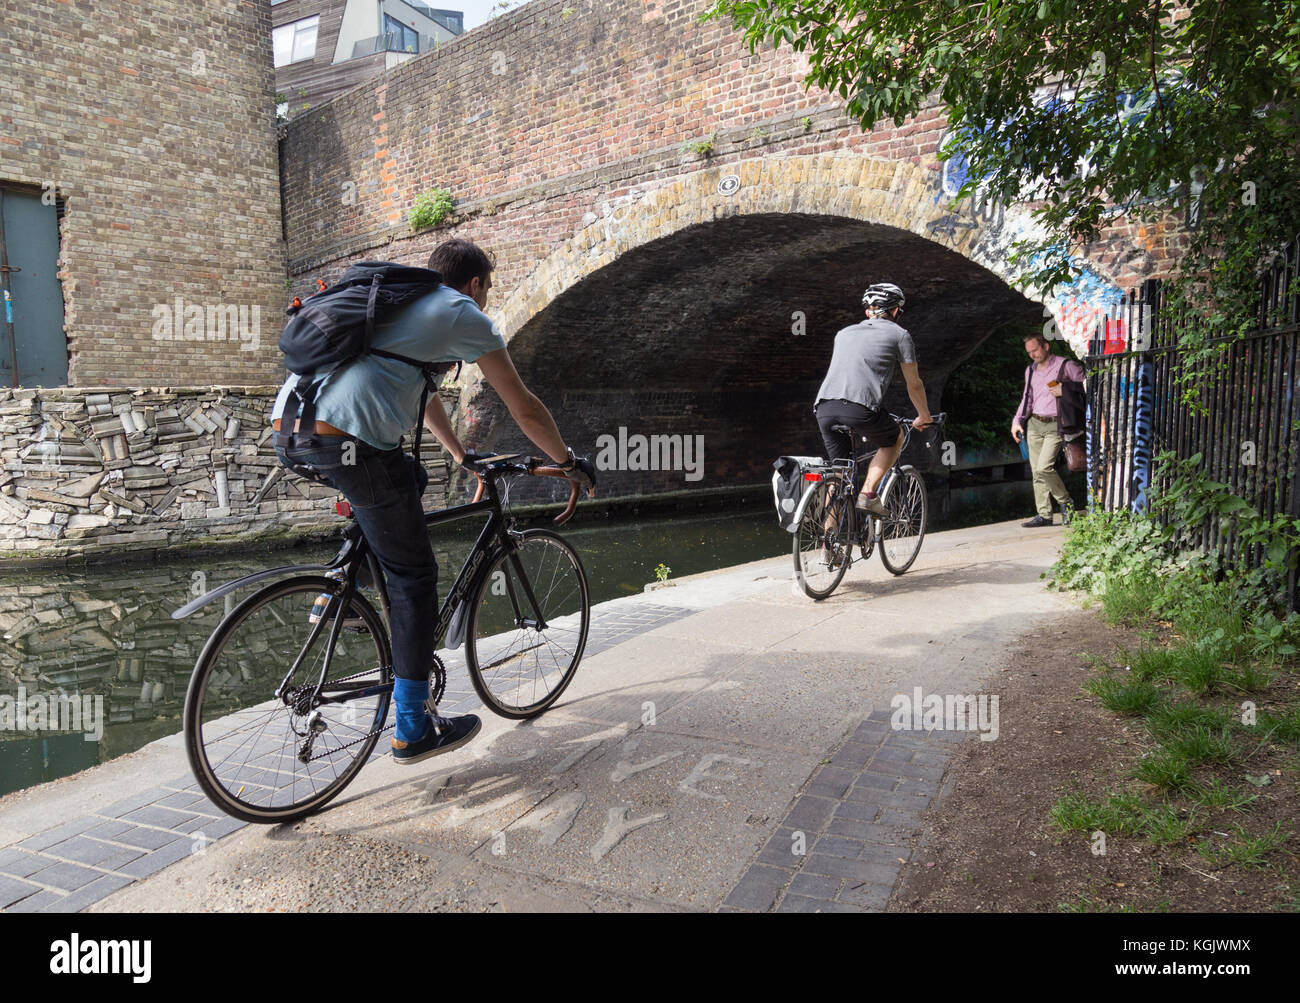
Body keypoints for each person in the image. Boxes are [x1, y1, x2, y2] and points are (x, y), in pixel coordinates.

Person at [271, 239, 595, 765]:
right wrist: (568, 460)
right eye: (487, 290)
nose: (486, 301)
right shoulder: (460, 312)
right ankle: (413, 729)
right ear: (474, 285)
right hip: (347, 440)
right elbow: (524, 405)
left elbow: (423, 396)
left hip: (294, 431)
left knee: (408, 475)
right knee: (415, 580)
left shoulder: (402, 307)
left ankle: (338, 589)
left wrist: (460, 454)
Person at [814, 283, 933, 519]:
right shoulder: (900, 335)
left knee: (839, 474)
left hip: (824, 408)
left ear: (868, 310)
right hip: (858, 408)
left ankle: (829, 549)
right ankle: (868, 495)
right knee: (895, 436)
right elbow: (914, 384)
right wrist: (924, 415)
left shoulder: (843, 333)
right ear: (896, 310)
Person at [1010, 333, 1084, 527]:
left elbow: (1087, 388)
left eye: (1035, 350)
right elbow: (1027, 399)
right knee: (1036, 471)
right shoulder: (1030, 370)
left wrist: (1065, 391)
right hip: (1034, 423)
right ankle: (1044, 514)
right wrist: (1017, 420)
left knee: (1044, 467)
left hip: (1056, 423)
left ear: (1046, 346)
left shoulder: (1066, 365)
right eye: (1029, 352)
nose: (1032, 355)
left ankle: (1066, 503)